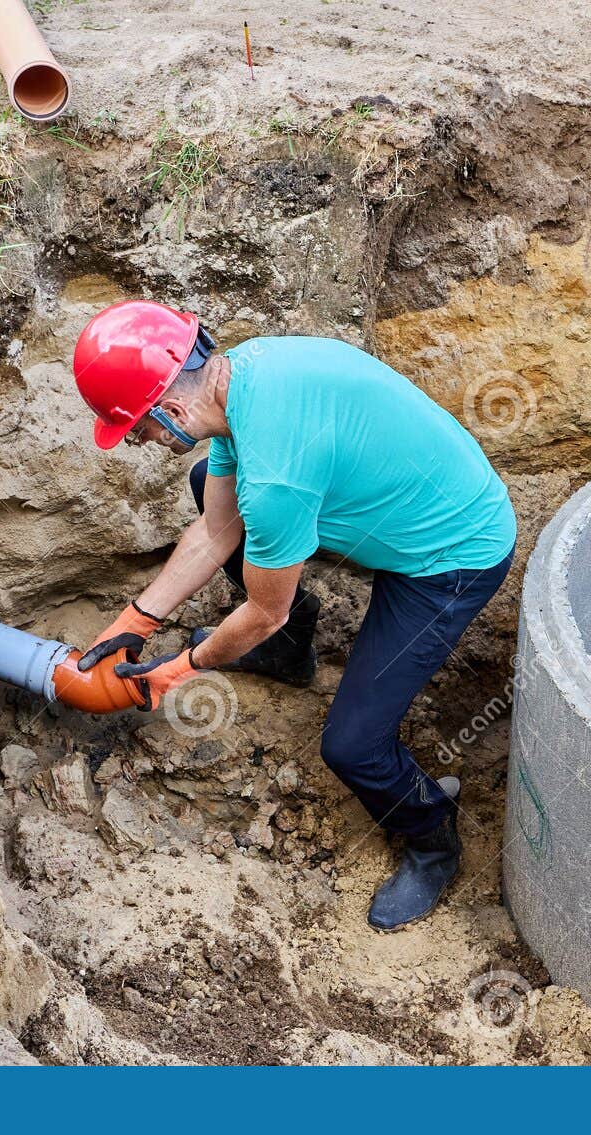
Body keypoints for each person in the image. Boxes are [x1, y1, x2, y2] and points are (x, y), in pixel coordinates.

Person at [72, 300, 516, 930]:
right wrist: (135, 621)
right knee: (208, 484)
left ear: (171, 410)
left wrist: (182, 669)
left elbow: (262, 610)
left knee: (352, 745)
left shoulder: (276, 478)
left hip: (451, 556)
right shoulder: (240, 382)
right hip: (400, 504)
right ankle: (290, 658)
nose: (140, 442)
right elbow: (217, 528)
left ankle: (432, 839)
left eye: (137, 429)